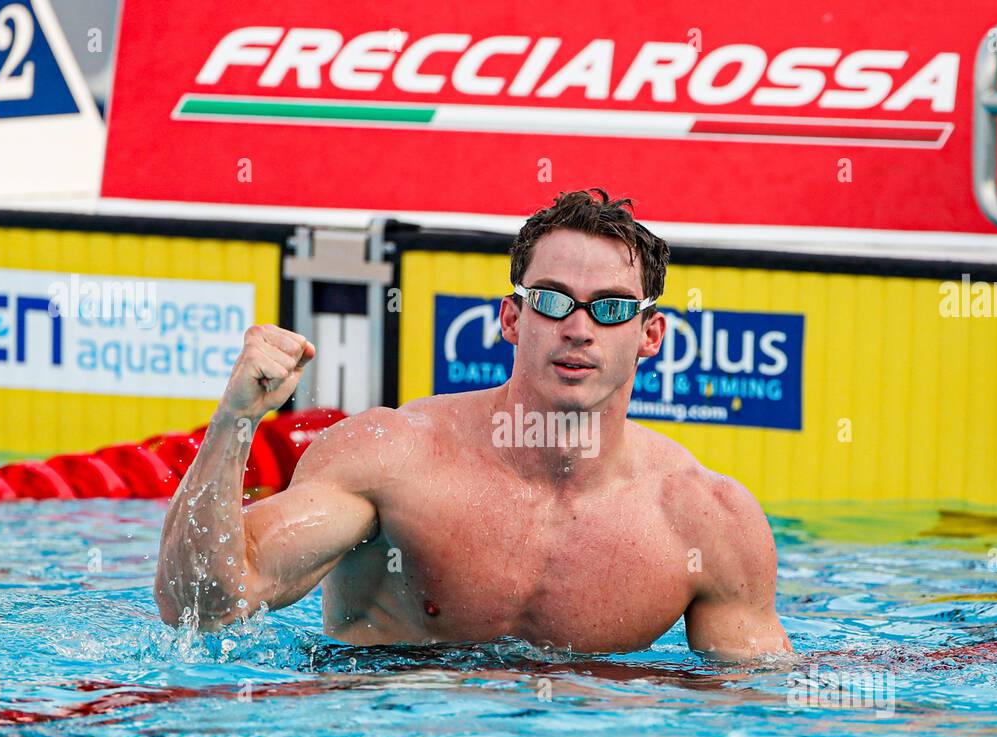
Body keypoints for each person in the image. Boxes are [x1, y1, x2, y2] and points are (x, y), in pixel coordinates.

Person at [155, 189, 791, 660]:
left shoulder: (705, 520)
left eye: (612, 308)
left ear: (649, 334)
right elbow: (206, 605)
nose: (578, 327)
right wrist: (234, 423)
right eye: (551, 299)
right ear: (512, 320)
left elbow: (754, 714)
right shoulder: (394, 459)